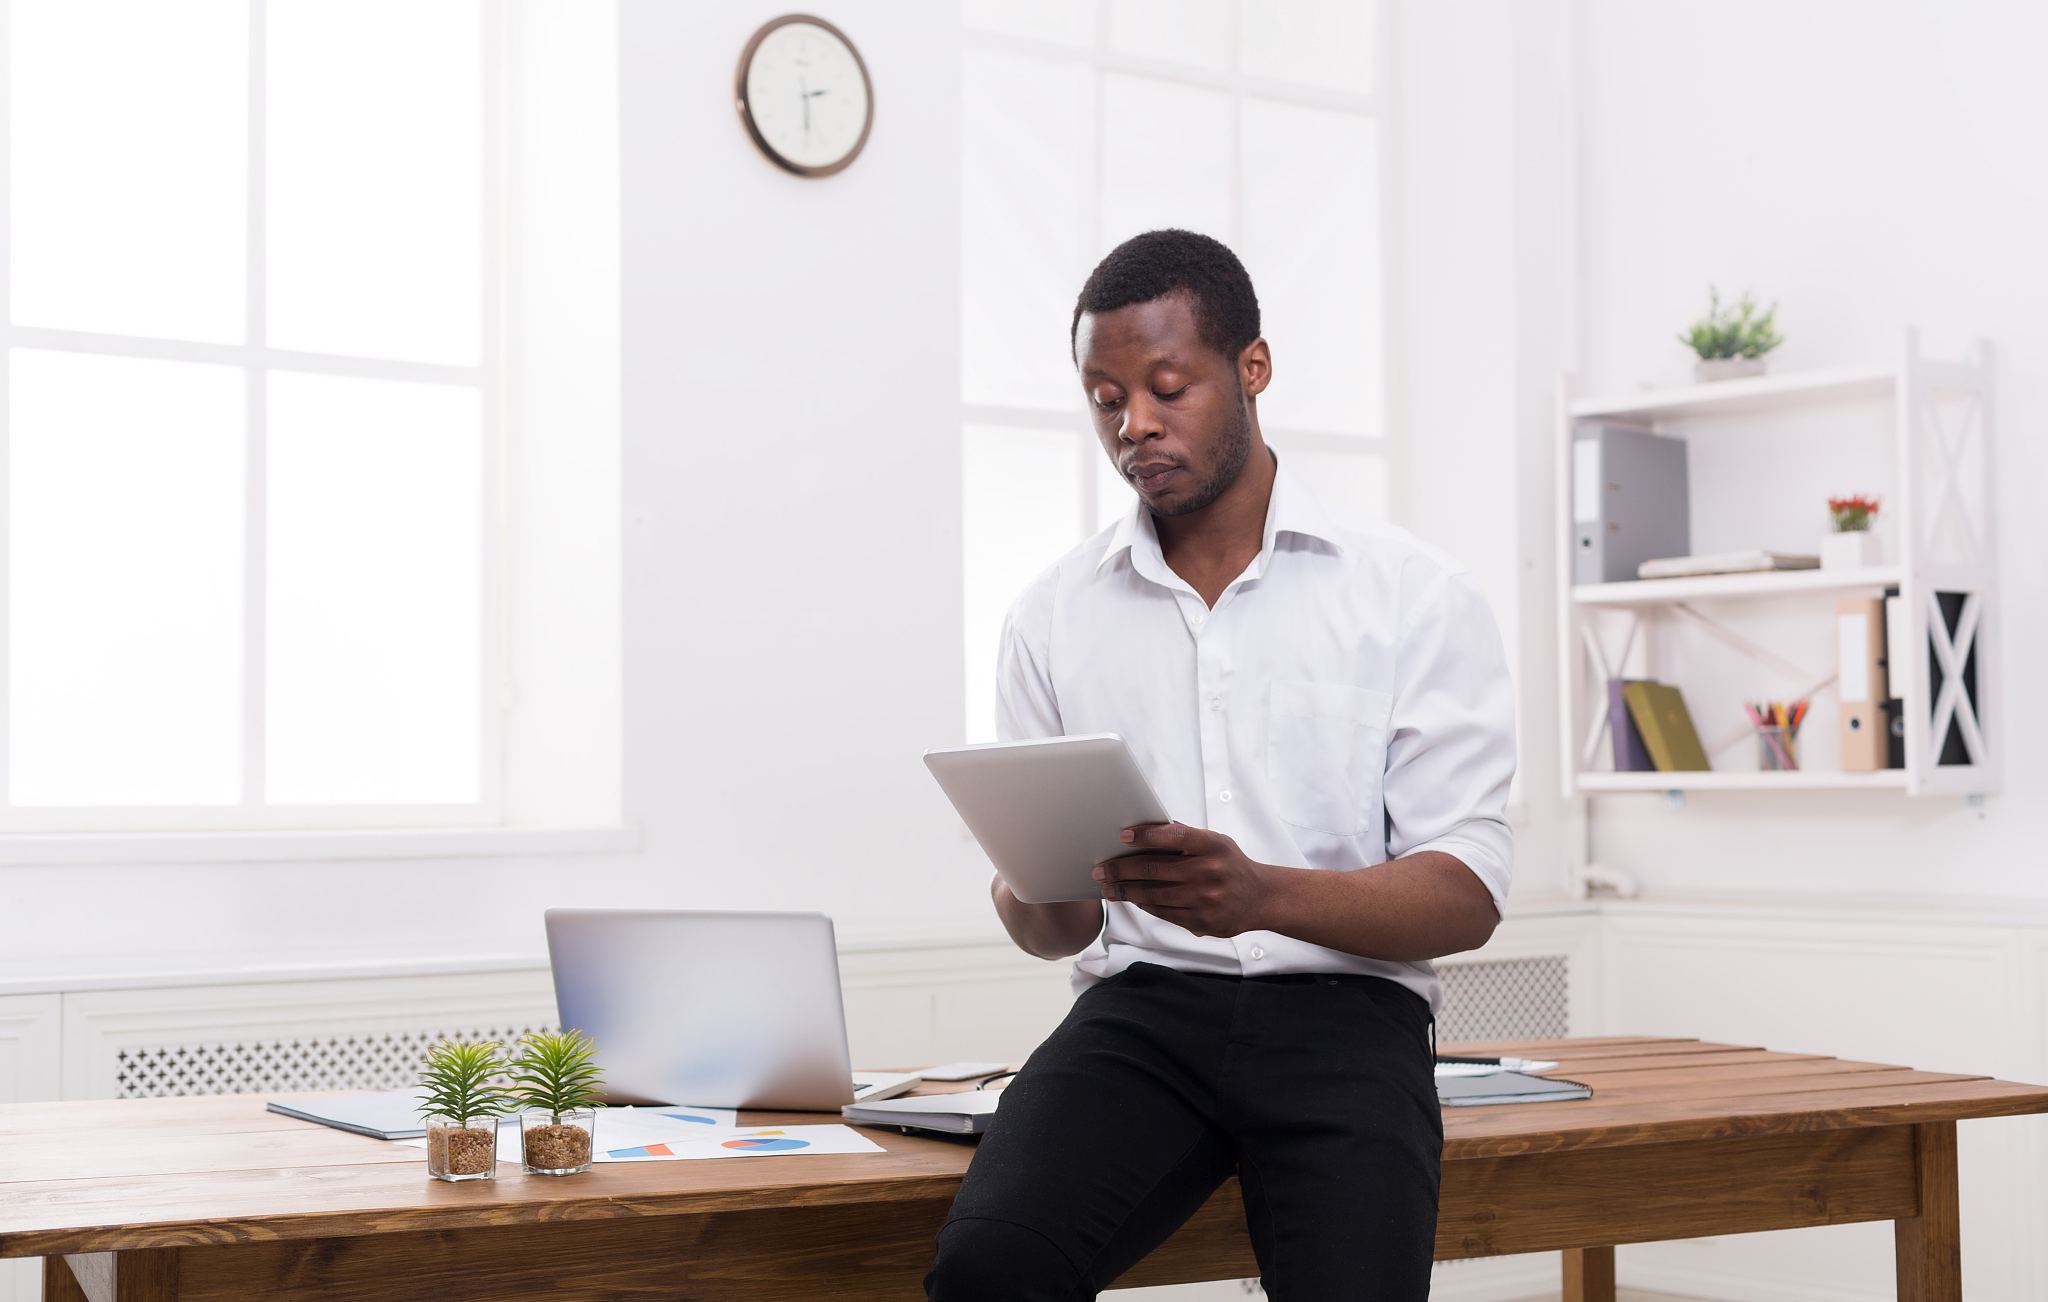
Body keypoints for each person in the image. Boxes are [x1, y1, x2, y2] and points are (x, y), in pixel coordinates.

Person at [923, 229, 1517, 1302]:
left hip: (1348, 1017)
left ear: (1252, 369)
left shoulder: (1411, 596)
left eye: (1165, 387)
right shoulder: (1050, 617)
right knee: (988, 1270)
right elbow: (1046, 926)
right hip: (1141, 1014)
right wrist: (1034, 885)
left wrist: (1257, 895)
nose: (1133, 425)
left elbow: (1465, 896)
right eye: (1105, 398)